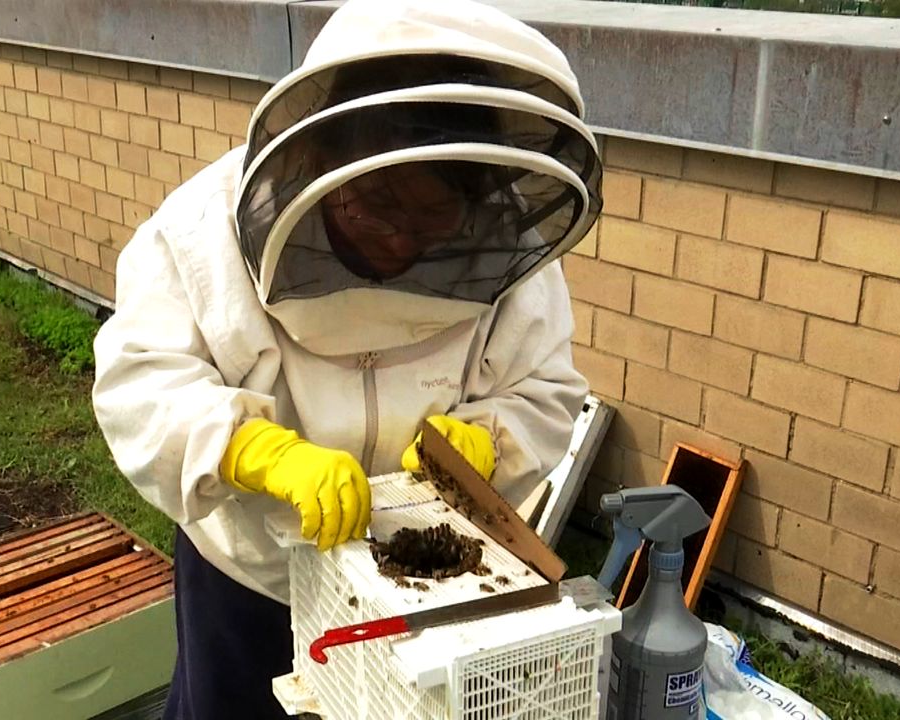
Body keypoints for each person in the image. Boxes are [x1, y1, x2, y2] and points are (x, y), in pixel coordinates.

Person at [91, 0, 603, 716]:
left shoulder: (508, 256)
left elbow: (546, 389)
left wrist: (490, 437)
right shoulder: (199, 231)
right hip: (252, 571)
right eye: (377, 204)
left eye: (432, 220)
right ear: (323, 154)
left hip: (419, 574)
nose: (399, 238)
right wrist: (253, 450)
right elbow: (139, 382)